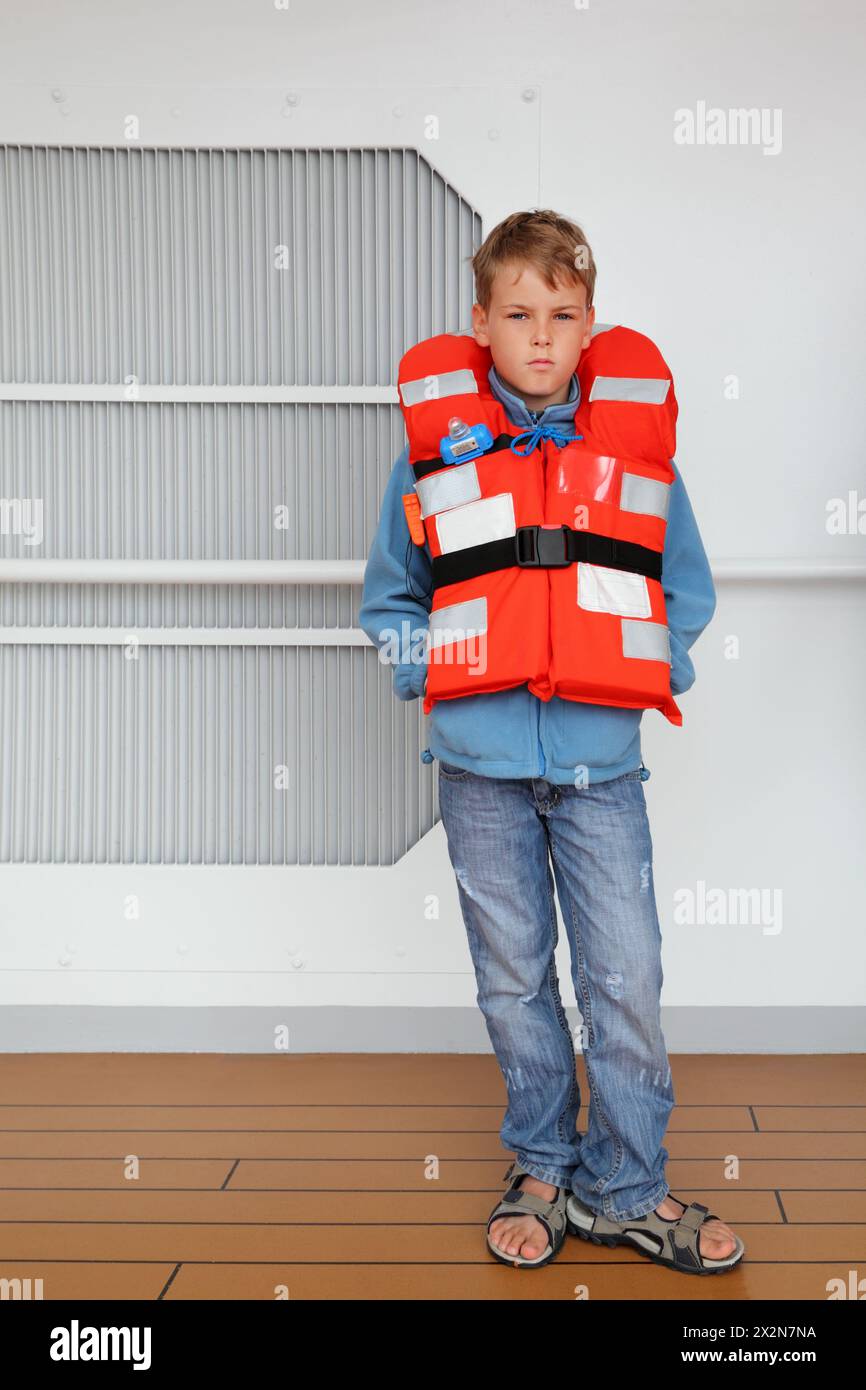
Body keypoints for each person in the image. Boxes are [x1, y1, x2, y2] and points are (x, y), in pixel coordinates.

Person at [359, 208, 744, 1275]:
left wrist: (639, 675)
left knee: (622, 975)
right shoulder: (434, 458)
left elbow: (685, 587)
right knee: (512, 978)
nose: (539, 336)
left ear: (588, 326)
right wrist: (424, 676)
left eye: (561, 315)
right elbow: (392, 594)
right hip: (478, 772)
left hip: (598, 770)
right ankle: (539, 1164)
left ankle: (625, 1185)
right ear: (478, 320)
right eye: (517, 313)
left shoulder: (632, 451)